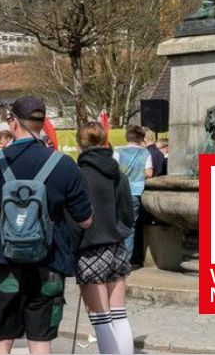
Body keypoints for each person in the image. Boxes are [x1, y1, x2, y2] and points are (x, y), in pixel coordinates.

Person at [0, 96, 93, 355]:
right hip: (49, 262)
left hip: (3, 263)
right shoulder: (63, 164)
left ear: (13, 122)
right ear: (43, 122)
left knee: (1, 335)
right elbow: (85, 219)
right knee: (40, 339)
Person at [74, 122, 135, 355]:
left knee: (101, 319)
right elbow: (128, 215)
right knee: (119, 316)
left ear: (80, 145)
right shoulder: (119, 174)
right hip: (117, 247)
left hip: (89, 249)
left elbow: (73, 218)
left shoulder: (79, 175)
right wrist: (116, 231)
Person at [114, 125, 152, 262]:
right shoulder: (145, 153)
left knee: (117, 223)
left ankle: (115, 257)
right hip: (135, 192)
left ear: (127, 137)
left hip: (119, 191)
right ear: (141, 138)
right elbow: (149, 173)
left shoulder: (118, 151)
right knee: (131, 226)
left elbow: (113, 170)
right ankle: (126, 261)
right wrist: (138, 174)